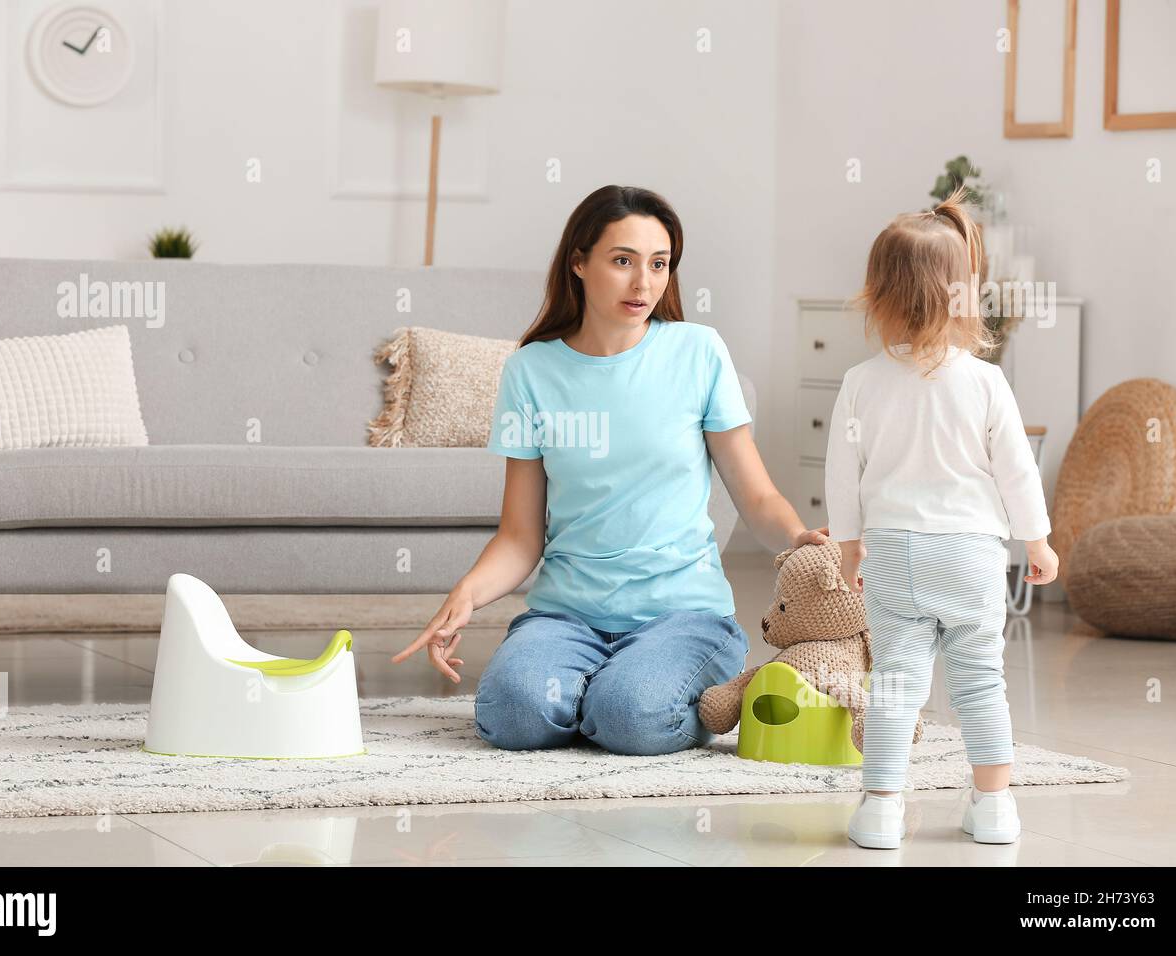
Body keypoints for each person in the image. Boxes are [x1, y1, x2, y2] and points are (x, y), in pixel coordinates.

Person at [392, 184, 826, 756]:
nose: (643, 283)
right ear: (579, 262)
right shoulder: (531, 370)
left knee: (632, 717)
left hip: (684, 616)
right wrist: (467, 594)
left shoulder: (698, 352)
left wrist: (800, 539)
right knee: (514, 714)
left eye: (659, 264)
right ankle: (599, 690)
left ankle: (622, 694)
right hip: (567, 617)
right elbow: (521, 535)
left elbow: (758, 499)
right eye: (622, 261)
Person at [827, 185, 1059, 849]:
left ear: (877, 296)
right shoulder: (985, 382)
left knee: (897, 682)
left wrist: (848, 547)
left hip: (896, 551)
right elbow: (1015, 470)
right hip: (972, 553)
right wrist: (1035, 542)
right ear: (965, 293)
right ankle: (994, 808)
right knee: (981, 680)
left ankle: (880, 808)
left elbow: (844, 477)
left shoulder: (861, 382)